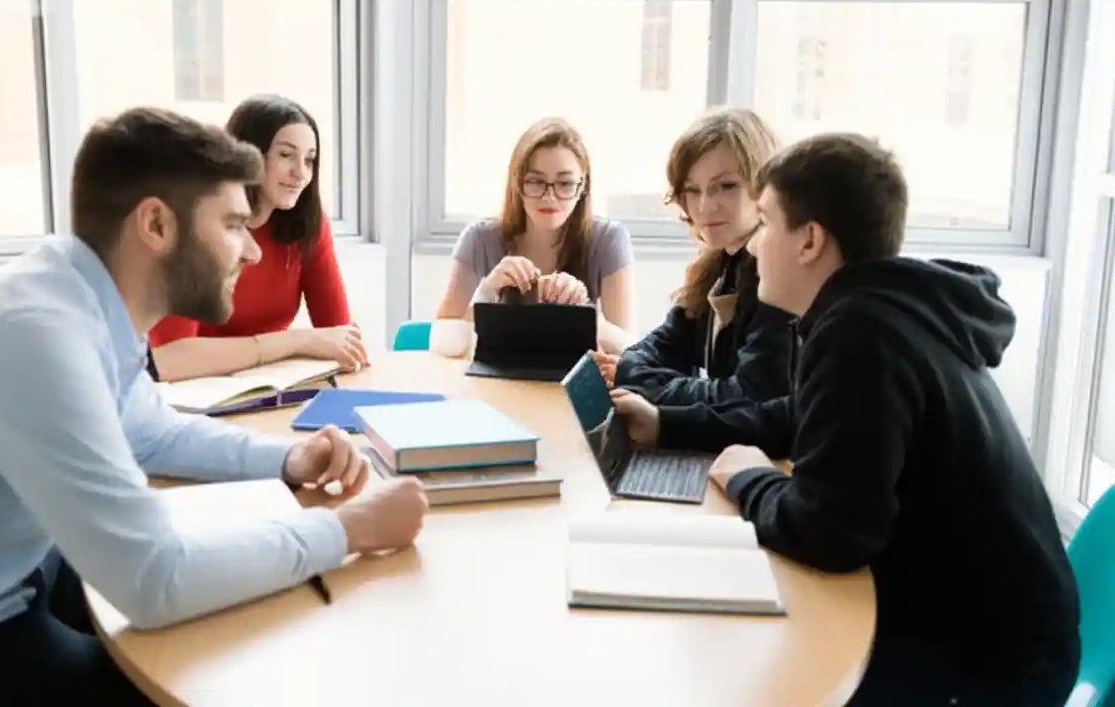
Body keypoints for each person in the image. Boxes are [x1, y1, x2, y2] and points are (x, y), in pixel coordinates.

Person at [0, 107, 428, 707]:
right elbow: (155, 580)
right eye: (230, 224)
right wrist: (347, 529)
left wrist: (291, 459)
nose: (250, 251)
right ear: (155, 225)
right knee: (207, 683)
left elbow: (152, 433)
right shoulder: (36, 336)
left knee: (221, 635)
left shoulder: (75, 300)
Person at [611, 133, 1079, 705]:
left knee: (757, 676)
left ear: (809, 240)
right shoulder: (880, 308)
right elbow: (798, 415)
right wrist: (669, 424)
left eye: (765, 222)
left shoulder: (862, 331)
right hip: (990, 627)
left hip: (987, 666)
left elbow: (829, 533)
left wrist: (749, 480)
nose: (755, 249)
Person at [148, 94, 366, 382]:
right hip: (194, 395)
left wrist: (326, 344)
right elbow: (168, 358)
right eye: (286, 155)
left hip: (265, 387)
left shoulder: (308, 225)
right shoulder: (194, 227)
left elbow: (340, 336)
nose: (300, 173)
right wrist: (296, 341)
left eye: (310, 160)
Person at [595, 108, 794, 404]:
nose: (704, 206)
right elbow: (663, 344)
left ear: (764, 187)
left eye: (725, 186)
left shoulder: (780, 277)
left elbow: (748, 396)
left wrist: (648, 385)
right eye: (691, 190)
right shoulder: (717, 266)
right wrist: (633, 371)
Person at [434, 117, 637, 354]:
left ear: (582, 188)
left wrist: (584, 312)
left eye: (565, 183)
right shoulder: (480, 238)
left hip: (572, 384)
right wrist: (487, 293)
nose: (549, 197)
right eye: (535, 182)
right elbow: (441, 343)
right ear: (517, 184)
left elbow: (630, 351)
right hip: (497, 384)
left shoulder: (608, 239)